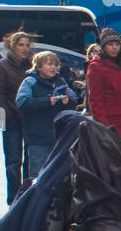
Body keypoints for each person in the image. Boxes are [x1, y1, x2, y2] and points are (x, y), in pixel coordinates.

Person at [15, 51, 78, 181]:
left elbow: (74, 99)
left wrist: (68, 101)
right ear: (38, 67)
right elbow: (22, 102)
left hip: (58, 137)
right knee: (38, 176)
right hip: (38, 137)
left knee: (59, 175)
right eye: (49, 64)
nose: (53, 67)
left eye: (55, 64)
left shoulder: (60, 81)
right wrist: (47, 101)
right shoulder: (30, 82)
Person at [0, 30, 33, 205]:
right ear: (12, 46)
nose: (24, 48)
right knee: (13, 161)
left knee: (30, 160)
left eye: (27, 45)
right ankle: (14, 197)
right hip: (12, 118)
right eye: (20, 45)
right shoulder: (2, 66)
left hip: (31, 118)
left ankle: (27, 195)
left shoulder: (32, 65)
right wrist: (4, 117)